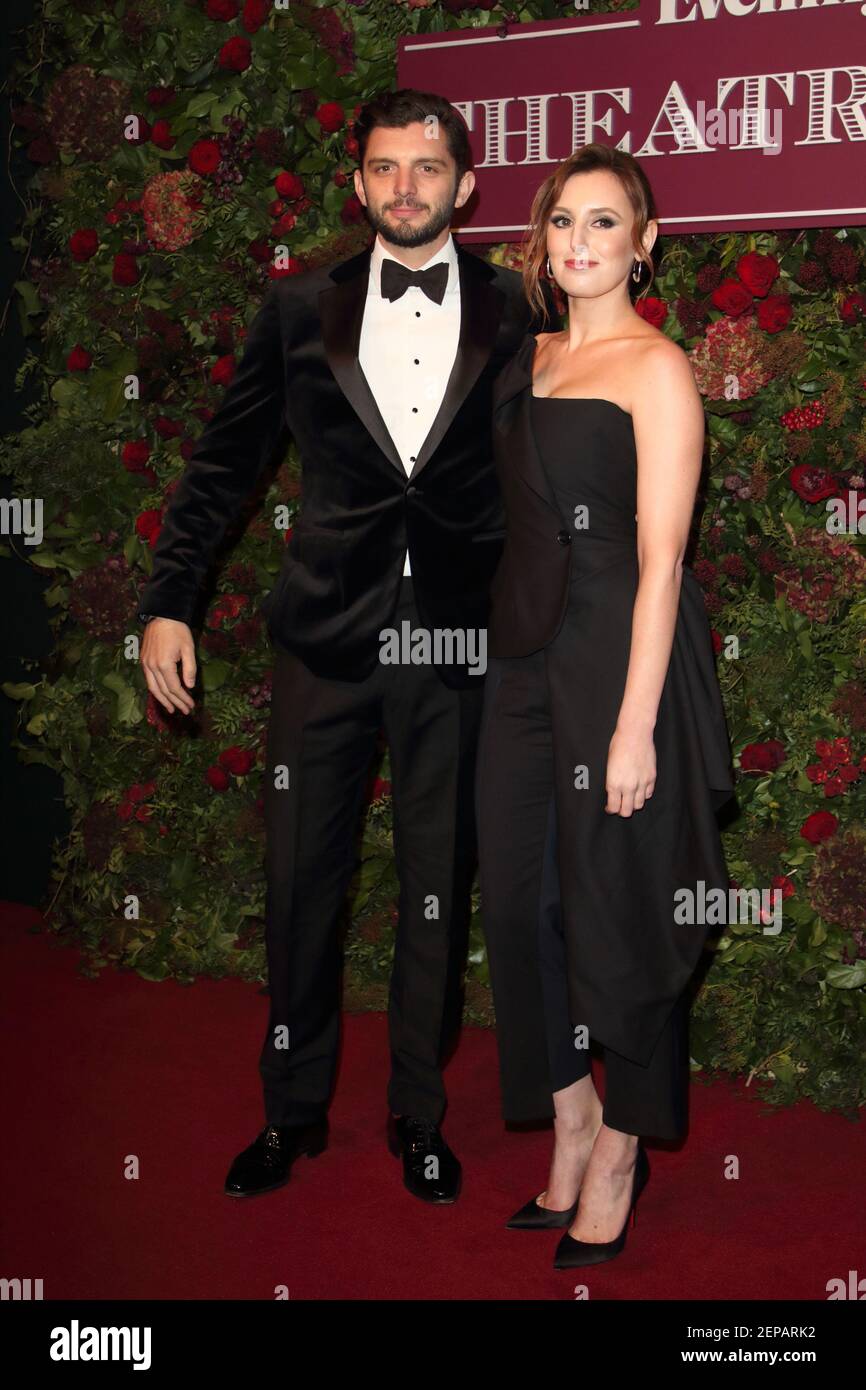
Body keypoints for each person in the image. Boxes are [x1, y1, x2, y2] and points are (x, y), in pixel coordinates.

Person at [137, 88, 555, 1207]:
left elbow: (557, 472)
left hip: (456, 641)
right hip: (324, 636)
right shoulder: (294, 311)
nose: (405, 188)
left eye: (428, 169)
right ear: (358, 182)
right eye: (385, 168)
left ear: (466, 184)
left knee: (434, 888)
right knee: (297, 884)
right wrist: (168, 597)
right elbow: (225, 466)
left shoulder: (519, 308)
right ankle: (289, 1114)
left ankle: (417, 1114)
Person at [476, 143, 735, 1266]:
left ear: (643, 241)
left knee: (614, 914)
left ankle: (622, 1146)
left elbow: (663, 560)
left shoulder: (655, 369)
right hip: (518, 667)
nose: (578, 242)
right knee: (519, 906)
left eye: (602, 222)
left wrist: (633, 727)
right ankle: (568, 1109)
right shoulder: (521, 358)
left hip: (614, 666)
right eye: (561, 221)